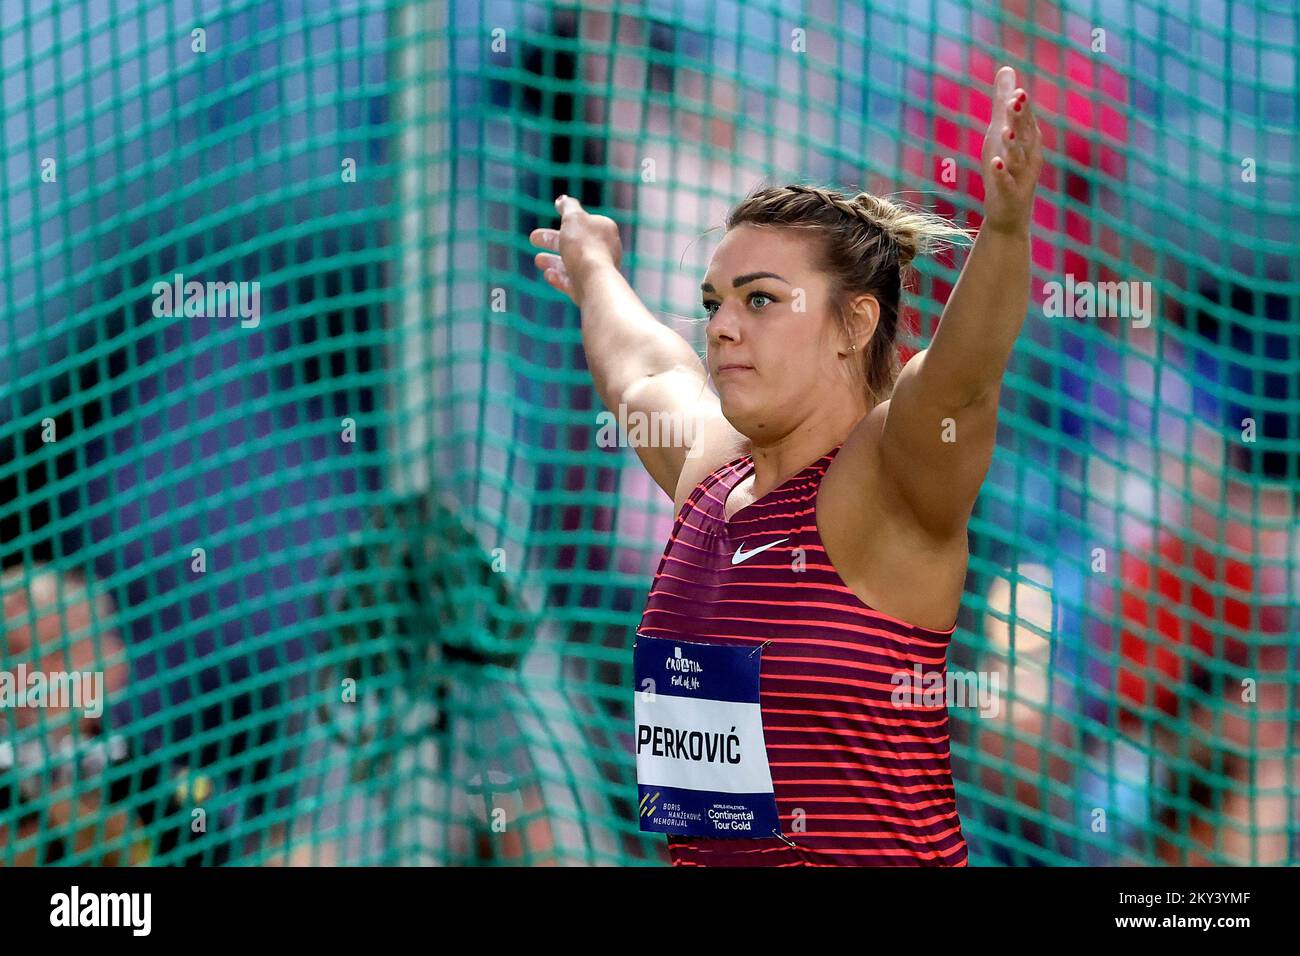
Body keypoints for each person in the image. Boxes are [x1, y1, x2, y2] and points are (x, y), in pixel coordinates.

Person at [529, 66, 1042, 866]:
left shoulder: (887, 484)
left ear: (854, 322)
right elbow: (640, 367)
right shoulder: (710, 477)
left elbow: (963, 378)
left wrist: (1006, 230)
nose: (723, 327)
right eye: (713, 304)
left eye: (760, 300)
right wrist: (594, 265)